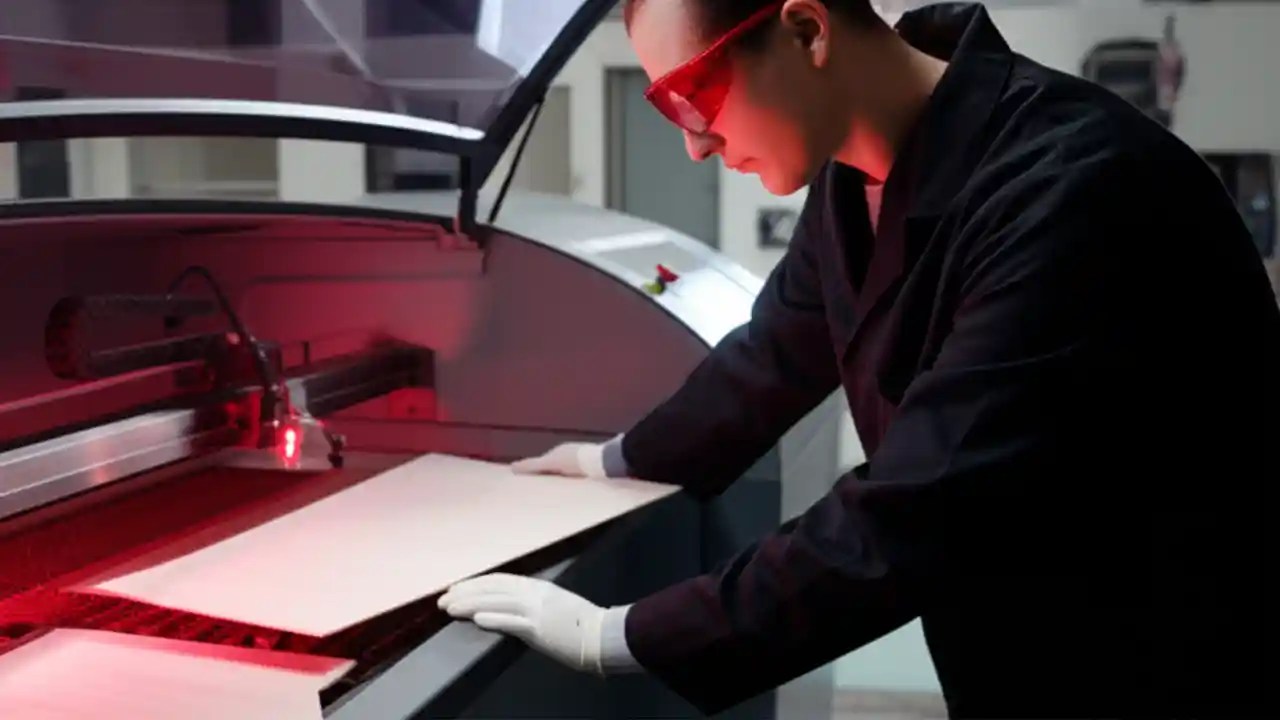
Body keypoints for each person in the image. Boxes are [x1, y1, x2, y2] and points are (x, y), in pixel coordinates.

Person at [440, 1, 1279, 716]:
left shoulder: (1071, 187)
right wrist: (608, 462)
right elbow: (772, 354)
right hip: (1014, 646)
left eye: (691, 98)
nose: (695, 145)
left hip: (1157, 654)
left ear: (806, 29)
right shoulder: (855, 177)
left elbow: (918, 504)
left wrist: (615, 634)